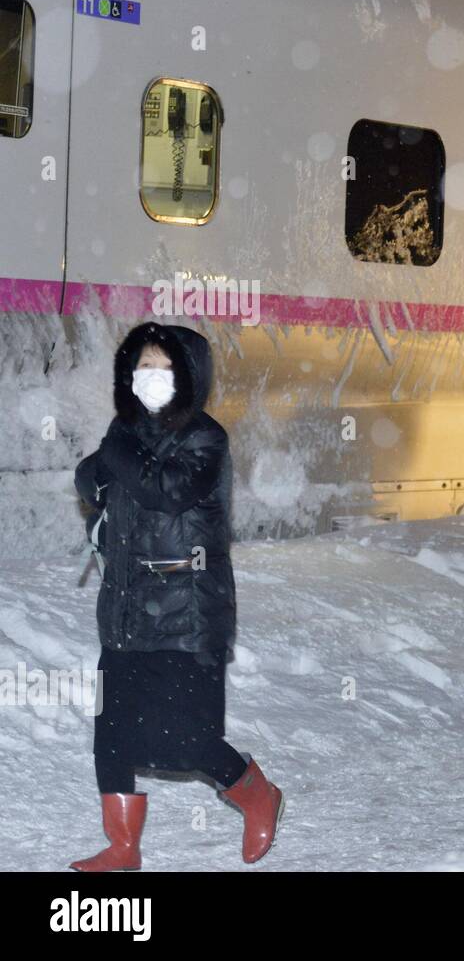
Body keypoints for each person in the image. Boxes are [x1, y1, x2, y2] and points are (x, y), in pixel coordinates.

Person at [71, 322, 283, 871]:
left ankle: (257, 792)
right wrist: (105, 462)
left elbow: (164, 492)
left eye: (165, 369)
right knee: (110, 736)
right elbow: (89, 479)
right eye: (143, 368)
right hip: (124, 612)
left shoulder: (206, 438)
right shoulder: (128, 435)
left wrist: (115, 450)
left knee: (190, 742)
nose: (151, 379)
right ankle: (123, 848)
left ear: (189, 377)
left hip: (186, 614)